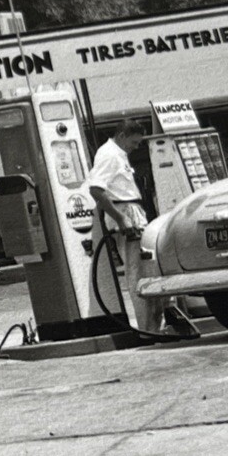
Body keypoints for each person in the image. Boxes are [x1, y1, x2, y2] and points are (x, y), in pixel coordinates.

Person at [86, 120, 198, 340]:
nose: (135, 147)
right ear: (122, 135)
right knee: (139, 274)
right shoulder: (109, 154)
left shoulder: (117, 153)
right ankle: (148, 330)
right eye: (134, 142)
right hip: (125, 212)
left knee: (150, 270)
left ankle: (155, 325)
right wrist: (121, 219)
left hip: (131, 211)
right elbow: (96, 190)